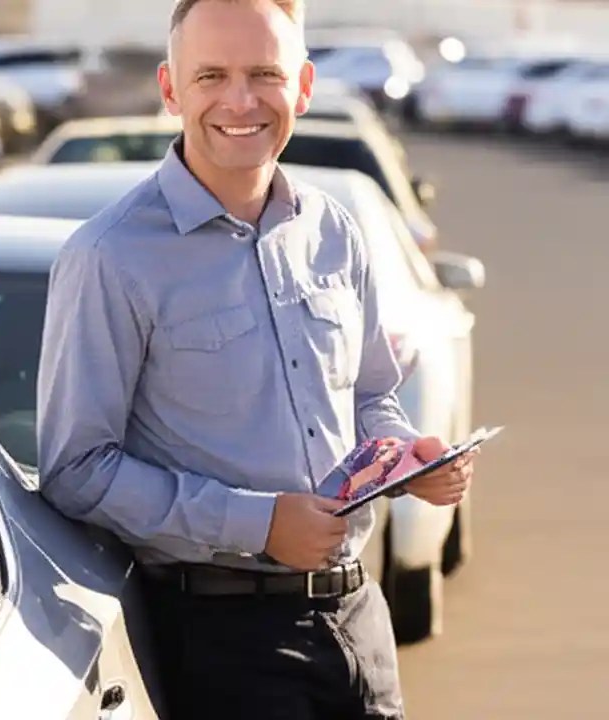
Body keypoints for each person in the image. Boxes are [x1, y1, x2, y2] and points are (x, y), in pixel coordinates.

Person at [35, 1, 475, 718]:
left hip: (359, 621)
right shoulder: (109, 257)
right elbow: (76, 470)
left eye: (265, 74)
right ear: (171, 89)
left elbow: (370, 397)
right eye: (212, 76)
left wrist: (407, 458)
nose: (241, 101)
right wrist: (259, 523)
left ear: (302, 87)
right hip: (218, 641)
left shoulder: (334, 231)